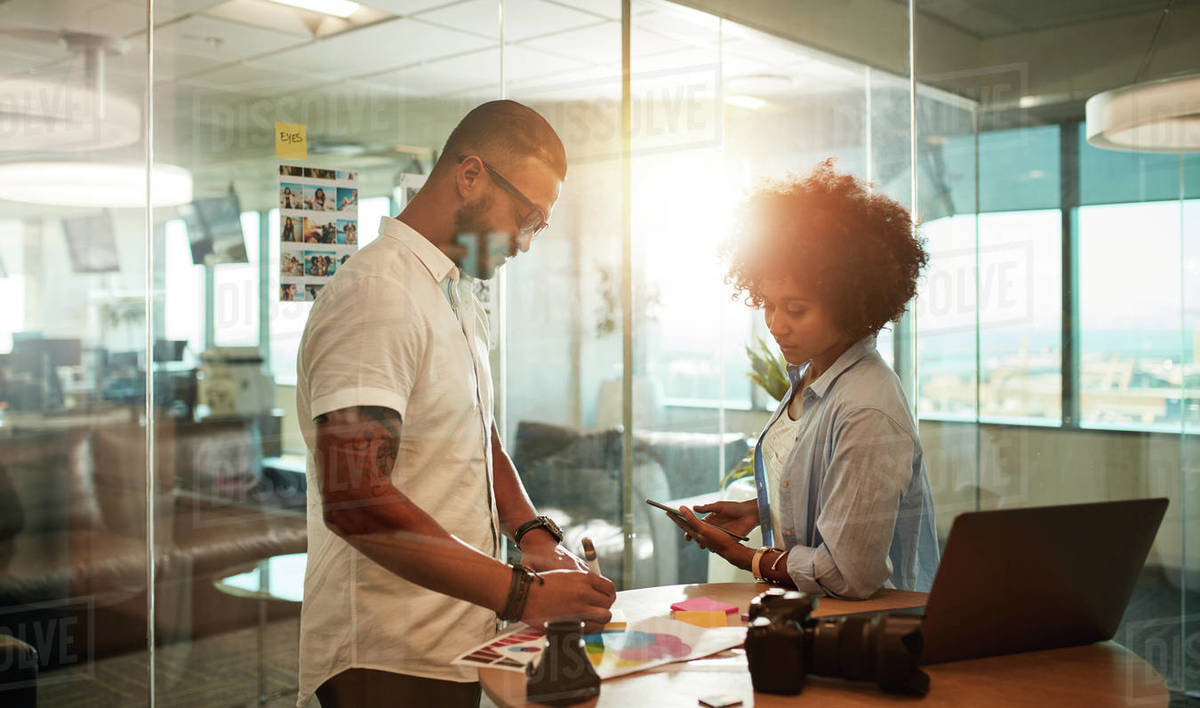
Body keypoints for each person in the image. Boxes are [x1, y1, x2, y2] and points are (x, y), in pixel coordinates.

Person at [296, 100, 615, 708]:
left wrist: (532, 532)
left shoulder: (455, 294)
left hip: (455, 639)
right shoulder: (376, 294)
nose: (523, 243)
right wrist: (524, 595)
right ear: (470, 175)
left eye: (537, 227)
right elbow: (354, 500)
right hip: (384, 656)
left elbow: (476, 430)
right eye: (524, 216)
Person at [674, 161, 939, 600]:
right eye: (769, 305)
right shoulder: (813, 374)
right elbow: (831, 496)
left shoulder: (866, 407)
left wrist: (747, 558)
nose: (776, 325)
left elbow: (849, 573)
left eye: (795, 309)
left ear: (850, 303)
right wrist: (756, 512)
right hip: (815, 620)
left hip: (868, 634)